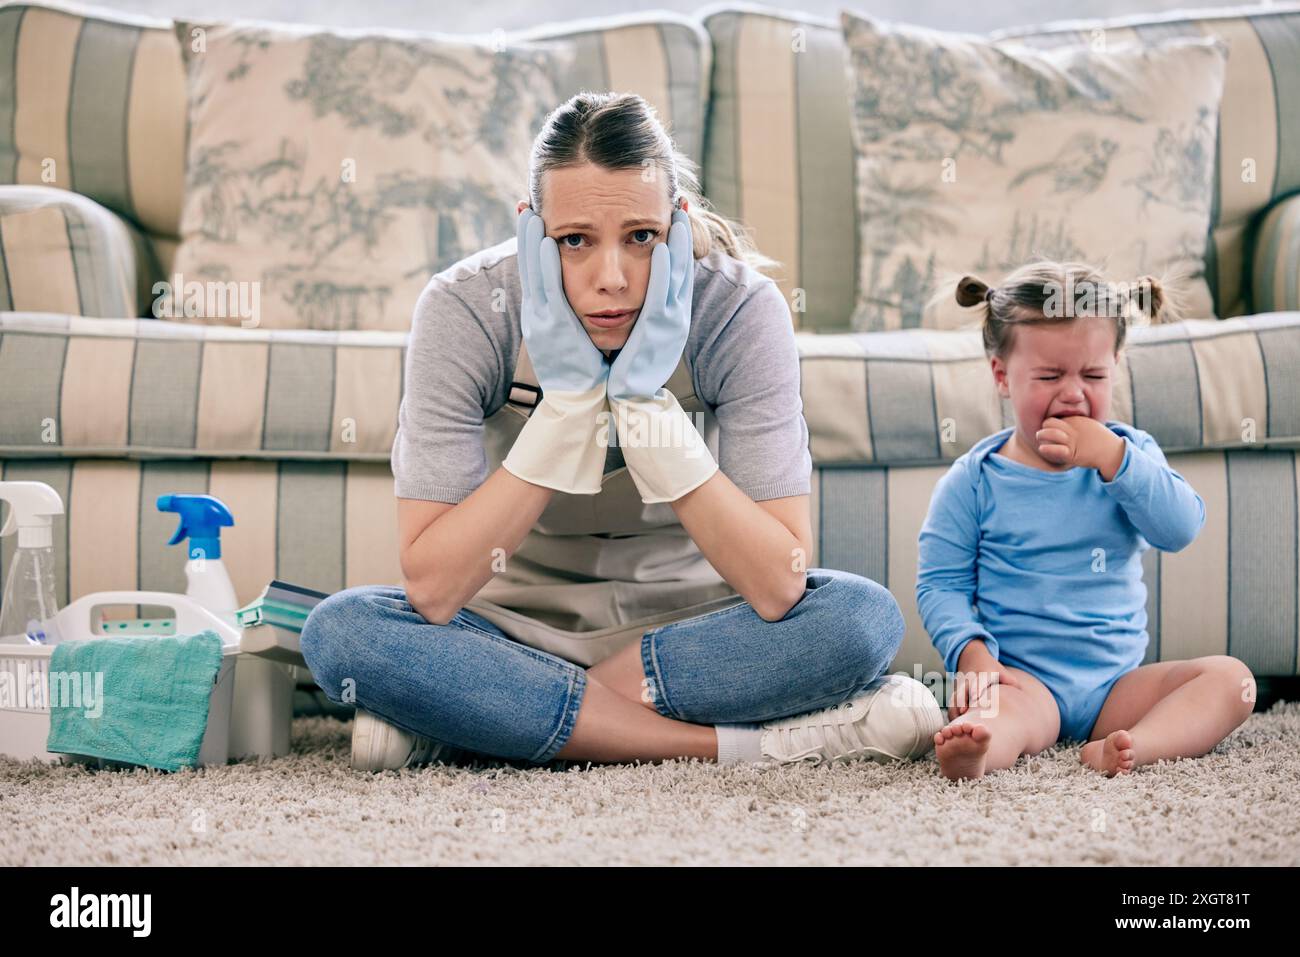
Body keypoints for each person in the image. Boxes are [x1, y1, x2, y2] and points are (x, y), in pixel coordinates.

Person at [300, 91, 943, 771]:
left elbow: (779, 583)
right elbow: (432, 587)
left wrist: (643, 407)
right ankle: (737, 745)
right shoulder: (466, 309)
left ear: (676, 223)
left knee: (862, 620)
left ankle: (480, 720)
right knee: (344, 633)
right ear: (530, 231)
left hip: (693, 635)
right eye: (574, 240)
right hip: (507, 631)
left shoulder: (739, 309)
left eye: (641, 237)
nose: (612, 280)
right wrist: (569, 408)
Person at [916, 261, 1256, 781]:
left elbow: (1180, 527)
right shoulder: (975, 480)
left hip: (1117, 687)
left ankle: (1134, 745)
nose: (1074, 393)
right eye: (1050, 376)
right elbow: (941, 584)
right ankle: (978, 751)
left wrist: (1115, 459)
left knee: (1233, 681)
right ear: (1003, 376)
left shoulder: (1128, 457)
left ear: (1116, 365)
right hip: (1025, 684)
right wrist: (974, 655)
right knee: (994, 715)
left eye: (1093, 375)